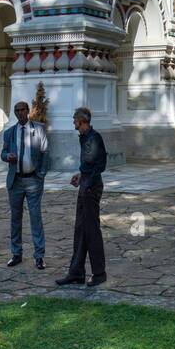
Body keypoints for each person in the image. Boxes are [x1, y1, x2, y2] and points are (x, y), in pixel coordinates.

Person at [56, 107, 108, 289]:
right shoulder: (85, 138)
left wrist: (89, 182)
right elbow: (89, 163)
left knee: (91, 231)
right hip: (86, 184)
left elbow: (100, 164)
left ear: (81, 121)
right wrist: (81, 174)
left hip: (91, 189)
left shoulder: (94, 138)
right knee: (80, 229)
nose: (73, 122)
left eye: (74, 119)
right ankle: (76, 272)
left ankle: (99, 273)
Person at [1, 100, 48, 269]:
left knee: (35, 217)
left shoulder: (38, 129)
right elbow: (3, 153)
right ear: (14, 113)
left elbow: (44, 153)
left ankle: (39, 255)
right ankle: (16, 253)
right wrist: (7, 157)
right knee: (15, 218)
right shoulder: (10, 133)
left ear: (28, 111)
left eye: (23, 110)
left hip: (33, 179)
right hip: (16, 180)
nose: (20, 113)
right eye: (17, 110)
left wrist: (40, 175)